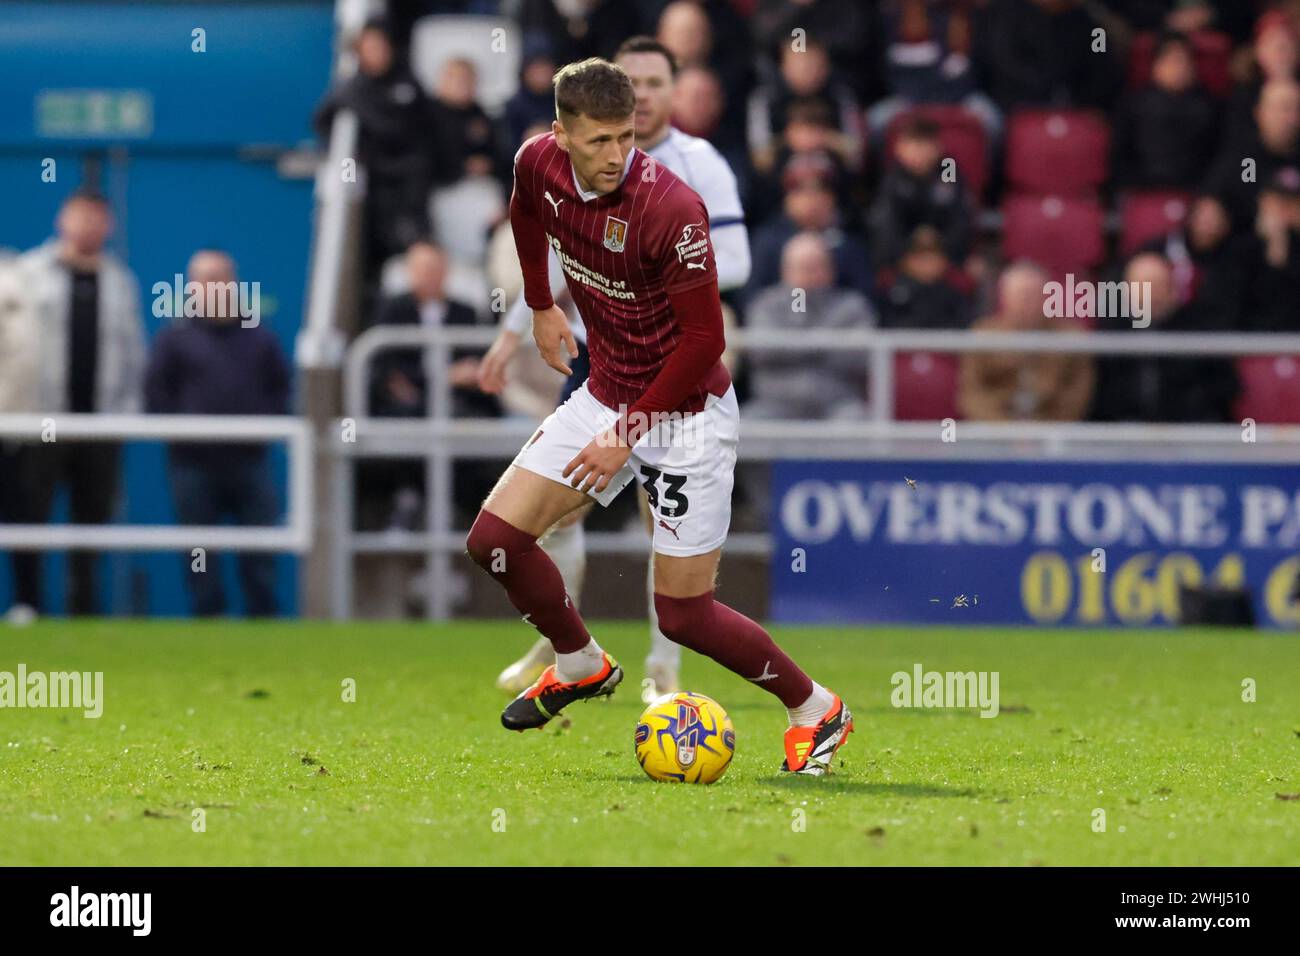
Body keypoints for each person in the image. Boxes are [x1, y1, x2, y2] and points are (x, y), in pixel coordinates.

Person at [466, 57, 853, 776]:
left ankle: (815, 708)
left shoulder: (670, 209)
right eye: (598, 142)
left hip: (687, 414)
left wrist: (627, 434)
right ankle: (580, 662)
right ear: (560, 135)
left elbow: (706, 341)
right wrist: (542, 303)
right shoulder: (536, 163)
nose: (616, 156)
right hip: (607, 393)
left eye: (625, 137)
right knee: (495, 540)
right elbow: (525, 208)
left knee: (684, 616)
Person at [478, 37, 752, 701]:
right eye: (636, 81)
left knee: (657, 518)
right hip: (601, 352)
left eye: (658, 82)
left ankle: (665, 665)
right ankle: (566, 642)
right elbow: (544, 228)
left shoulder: (694, 171)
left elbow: (735, 267)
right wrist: (528, 318)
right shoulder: (555, 161)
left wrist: (661, 268)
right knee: (556, 513)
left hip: (677, 353)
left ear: (672, 91)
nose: (647, 93)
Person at [19, 189, 146, 616]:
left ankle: (83, 607)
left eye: (97, 219)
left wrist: (125, 416)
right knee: (30, 513)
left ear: (108, 226)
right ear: (62, 220)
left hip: (99, 425)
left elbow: (132, 353)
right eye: (80, 217)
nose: (88, 226)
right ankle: (28, 604)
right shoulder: (28, 273)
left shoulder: (120, 280)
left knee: (91, 518)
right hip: (40, 423)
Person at [144, 250, 289, 617]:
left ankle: (264, 625)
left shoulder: (261, 338)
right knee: (199, 553)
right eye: (204, 279)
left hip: (250, 462)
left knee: (259, 552)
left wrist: (258, 430)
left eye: (220, 277)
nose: (213, 286)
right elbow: (156, 394)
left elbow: (281, 391)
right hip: (192, 464)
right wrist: (187, 434)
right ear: (192, 286)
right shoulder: (172, 339)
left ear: (234, 282)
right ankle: (207, 622)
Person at [957, 261, 1095, 421]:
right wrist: (1005, 430)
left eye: (1032, 295)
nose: (1025, 302)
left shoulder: (1069, 337)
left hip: (1055, 433)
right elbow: (972, 394)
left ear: (1046, 298)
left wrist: (1042, 430)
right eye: (1020, 295)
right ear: (1004, 297)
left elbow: (1076, 394)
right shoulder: (983, 335)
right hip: (993, 432)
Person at [0, 259, 41, 621]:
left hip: (16, 427)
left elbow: (25, 359)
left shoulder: (20, 277)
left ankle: (26, 602)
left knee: (22, 517)